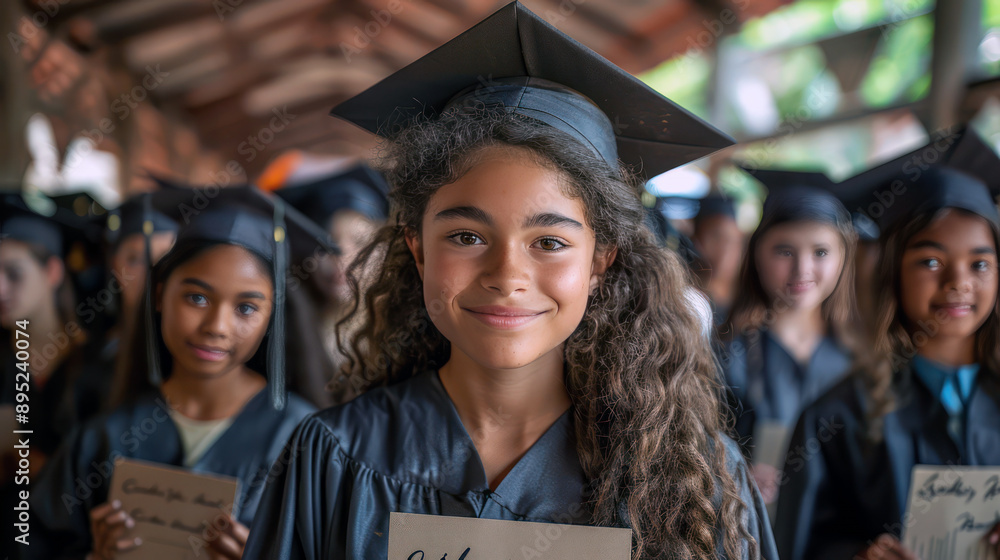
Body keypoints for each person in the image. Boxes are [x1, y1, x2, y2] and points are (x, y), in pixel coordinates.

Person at [244, 3, 777, 559]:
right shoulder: (334, 457)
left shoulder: (689, 481)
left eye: (549, 243)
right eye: (467, 237)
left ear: (600, 262)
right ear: (417, 249)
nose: (507, 276)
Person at [22, 186, 330, 559]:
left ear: (272, 316)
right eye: (197, 297)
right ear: (160, 294)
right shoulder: (103, 437)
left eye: (246, 307)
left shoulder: (305, 439)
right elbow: (32, 545)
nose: (217, 326)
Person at [775, 127, 1000, 560]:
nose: (959, 283)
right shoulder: (836, 418)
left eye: (980, 264)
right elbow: (797, 545)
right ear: (894, 271)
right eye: (930, 261)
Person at [718, 169, 858, 505]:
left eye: (821, 252)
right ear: (756, 253)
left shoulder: (861, 356)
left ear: (844, 256)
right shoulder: (725, 353)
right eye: (784, 251)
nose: (803, 270)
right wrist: (730, 472)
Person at [274, 163, 389, 401]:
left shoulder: (402, 333)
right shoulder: (281, 331)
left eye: (360, 242)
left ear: (384, 251)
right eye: (326, 243)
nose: (342, 258)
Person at [692, 194, 743, 325]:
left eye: (733, 240)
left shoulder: (747, 305)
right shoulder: (684, 299)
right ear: (695, 239)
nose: (725, 249)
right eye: (716, 237)